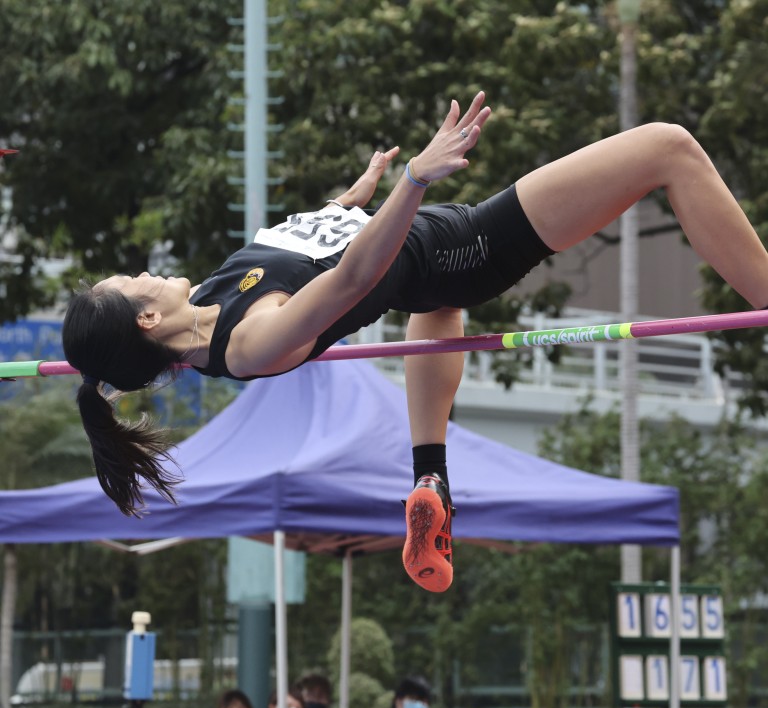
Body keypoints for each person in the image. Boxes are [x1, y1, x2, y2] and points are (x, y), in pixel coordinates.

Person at [62, 91, 768, 593]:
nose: (145, 273)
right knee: (668, 147)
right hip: (460, 248)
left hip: (427, 270)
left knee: (438, 310)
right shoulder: (249, 344)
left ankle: (431, 477)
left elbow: (301, 249)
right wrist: (413, 181)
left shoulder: (215, 296)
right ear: (145, 322)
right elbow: (350, 278)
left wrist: (352, 198)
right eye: (133, 282)